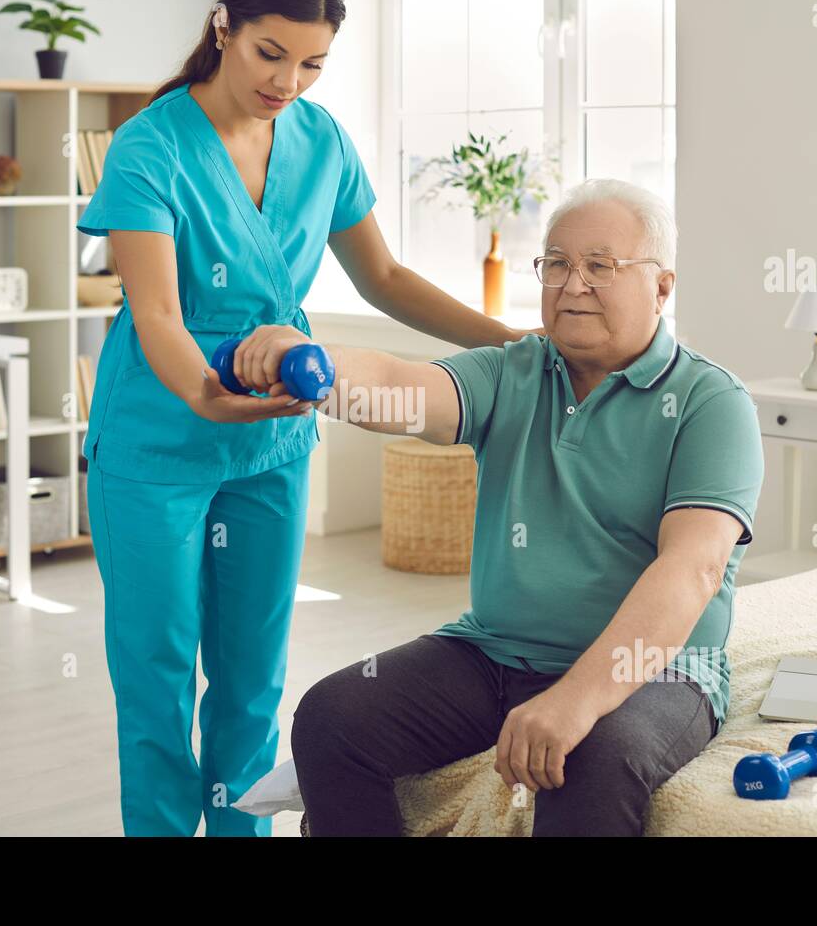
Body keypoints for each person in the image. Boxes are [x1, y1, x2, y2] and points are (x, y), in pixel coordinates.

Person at [77, 0, 536, 836]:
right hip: (159, 440)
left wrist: (511, 340)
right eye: (270, 54)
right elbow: (159, 320)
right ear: (225, 26)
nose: (288, 81)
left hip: (273, 439)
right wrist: (208, 400)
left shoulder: (321, 140)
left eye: (313, 63)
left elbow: (386, 280)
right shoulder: (150, 146)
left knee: (252, 676)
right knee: (156, 676)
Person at [283, 178, 765, 835]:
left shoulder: (712, 404)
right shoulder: (513, 372)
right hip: (496, 653)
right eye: (557, 263)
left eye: (601, 266)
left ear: (661, 287)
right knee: (331, 716)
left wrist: (574, 702)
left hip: (659, 673)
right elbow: (403, 390)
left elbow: (693, 571)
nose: (573, 285)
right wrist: (312, 363)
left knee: (595, 752)